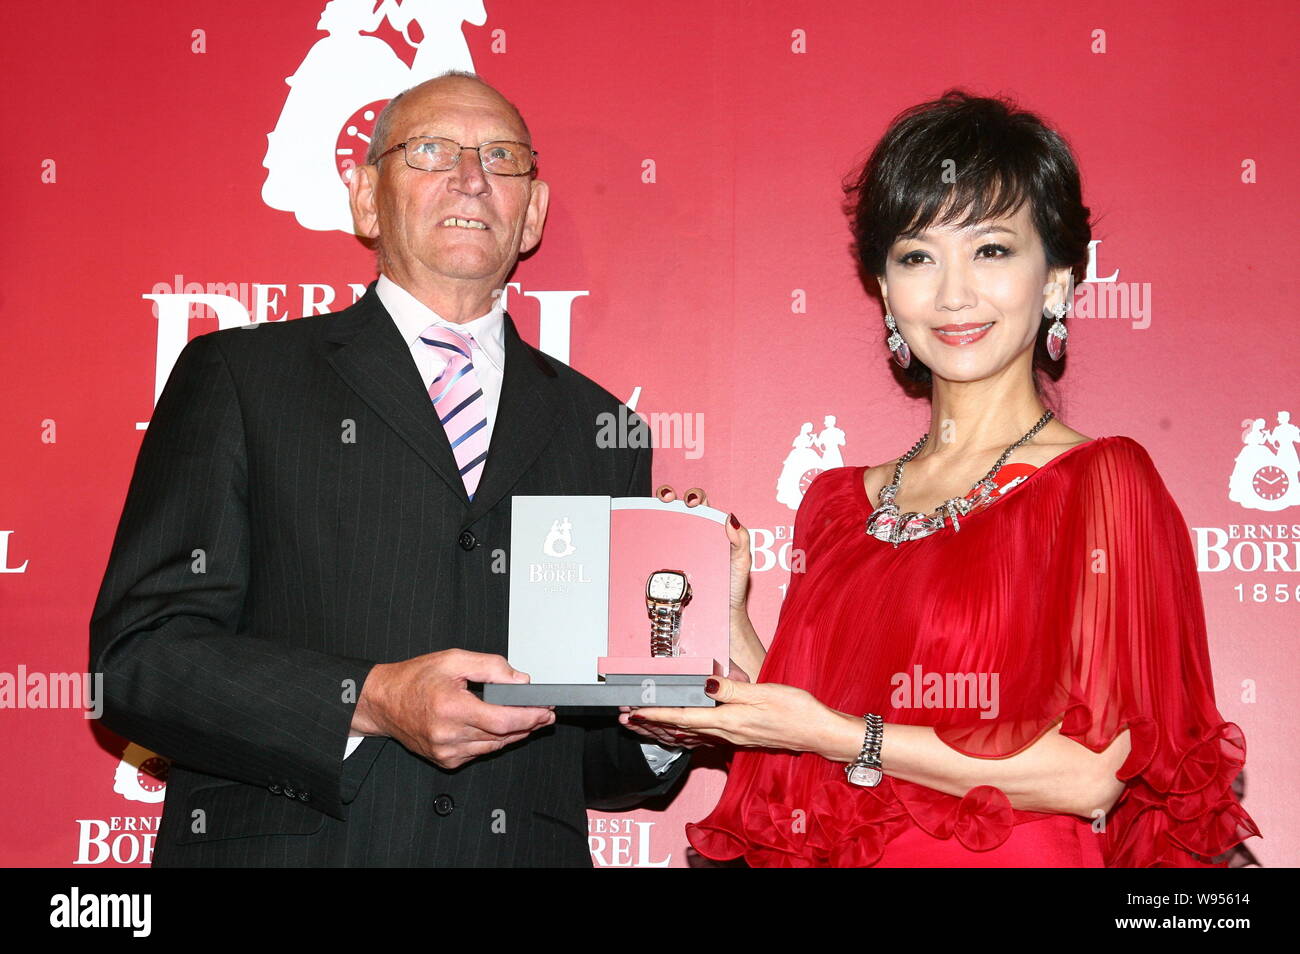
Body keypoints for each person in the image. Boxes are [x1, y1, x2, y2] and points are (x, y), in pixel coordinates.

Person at [628, 90, 1260, 867]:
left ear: (1057, 279)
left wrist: (833, 733)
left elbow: (1094, 772)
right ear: (887, 293)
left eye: (992, 250)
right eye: (918, 256)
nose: (953, 293)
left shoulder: (1103, 484)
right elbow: (808, 731)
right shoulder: (835, 502)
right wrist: (726, 624)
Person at [90, 71, 689, 867]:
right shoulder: (239, 377)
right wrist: (367, 700)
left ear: (532, 212)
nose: (471, 177)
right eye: (432, 150)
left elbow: (582, 754)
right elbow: (138, 662)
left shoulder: (605, 429)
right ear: (366, 200)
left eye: (503, 158)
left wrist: (663, 726)